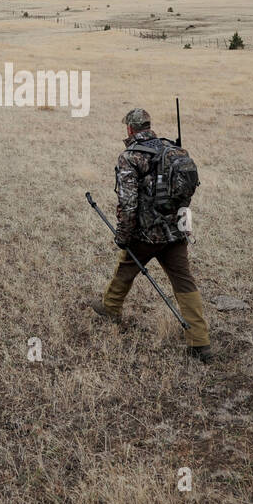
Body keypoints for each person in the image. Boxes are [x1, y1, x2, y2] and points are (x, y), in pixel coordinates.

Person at [91, 108, 214, 362]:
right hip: (175, 231)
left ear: (130, 129)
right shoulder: (174, 151)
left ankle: (110, 308)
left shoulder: (130, 156)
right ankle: (200, 341)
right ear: (148, 125)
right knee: (184, 281)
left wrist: (123, 235)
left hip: (146, 234)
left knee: (126, 267)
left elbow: (128, 203)